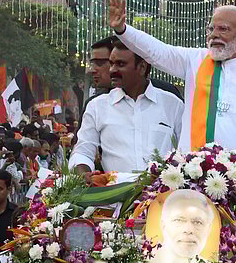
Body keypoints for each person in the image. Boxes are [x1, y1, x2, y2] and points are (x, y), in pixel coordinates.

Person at [107, 0, 236, 159]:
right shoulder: (195, 60)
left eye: (223, 29)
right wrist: (123, 30)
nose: (214, 35)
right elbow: (157, 52)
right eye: (211, 29)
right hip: (193, 174)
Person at [71, 43, 183, 177]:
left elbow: (187, 151)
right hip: (115, 195)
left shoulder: (172, 104)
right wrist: (84, 173)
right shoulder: (97, 106)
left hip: (162, 194)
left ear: (141, 67)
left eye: (120, 64)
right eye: (111, 64)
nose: (112, 70)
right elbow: (82, 152)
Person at [149, 188, 217, 263]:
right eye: (178, 220)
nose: (188, 230)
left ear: (208, 228)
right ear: (163, 225)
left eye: (197, 222)